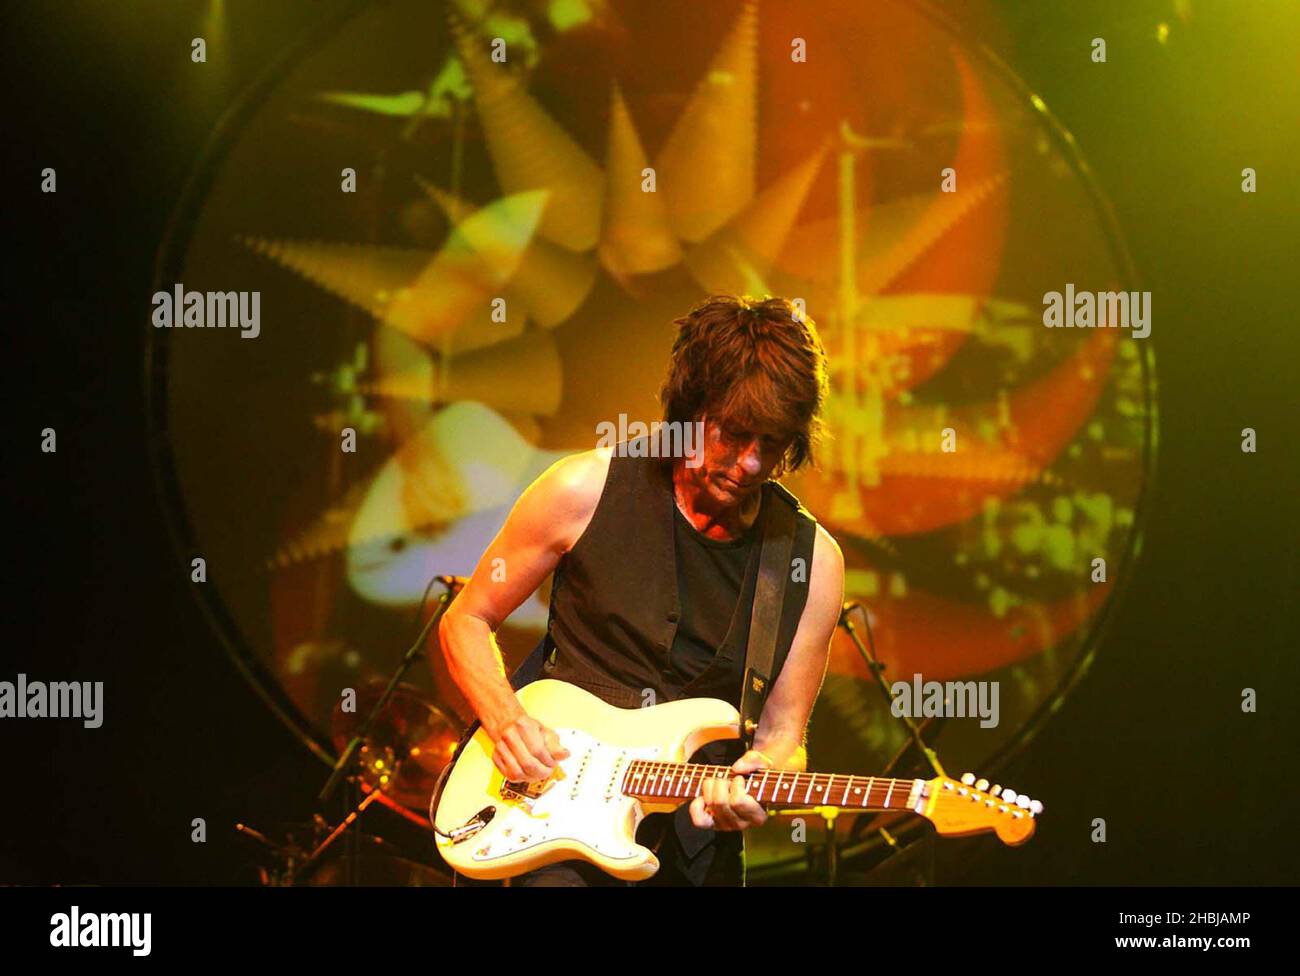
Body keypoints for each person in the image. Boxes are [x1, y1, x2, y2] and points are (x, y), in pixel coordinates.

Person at [437, 294, 845, 885]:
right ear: (690, 409)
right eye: (734, 435)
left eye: (774, 443)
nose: (752, 464)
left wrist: (761, 774)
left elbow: (784, 735)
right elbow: (466, 619)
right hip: (549, 811)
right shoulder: (582, 489)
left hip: (693, 838)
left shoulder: (813, 564)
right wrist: (507, 722)